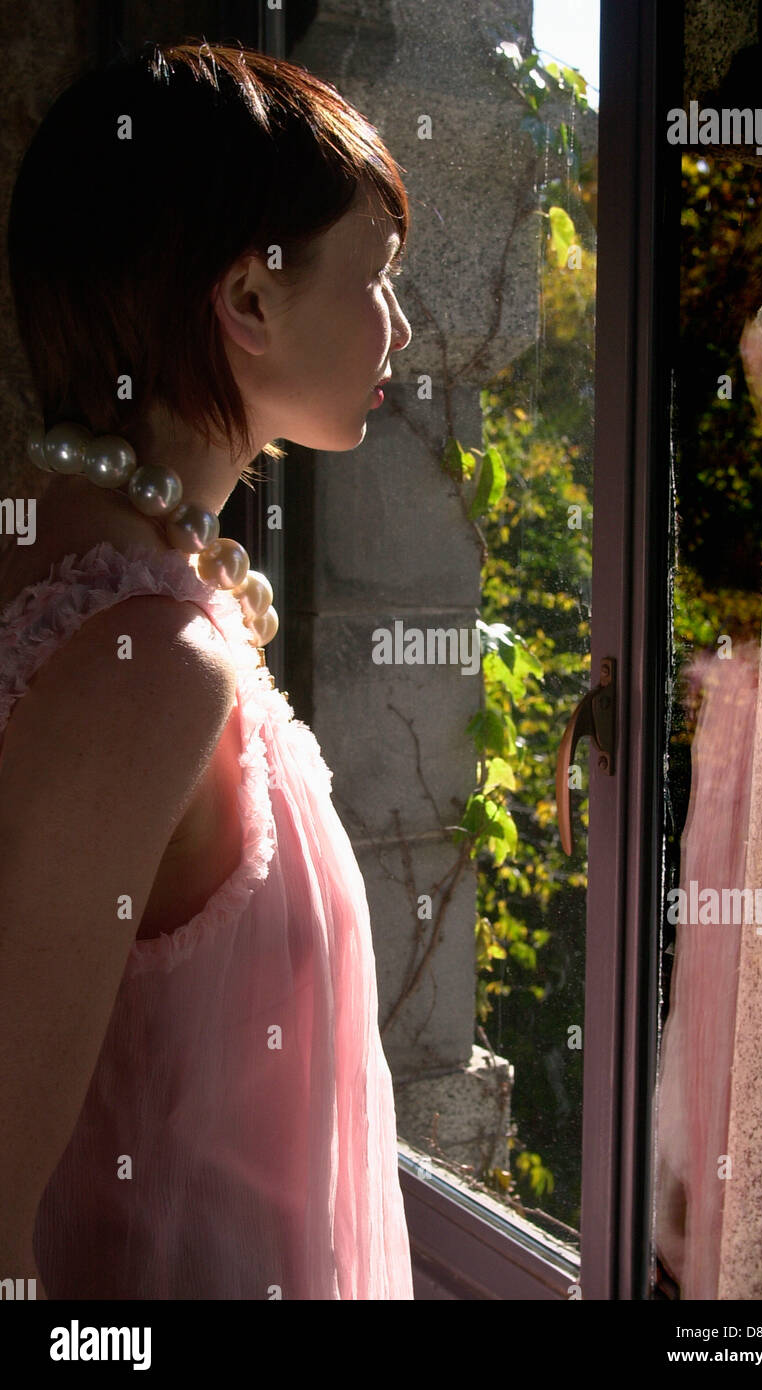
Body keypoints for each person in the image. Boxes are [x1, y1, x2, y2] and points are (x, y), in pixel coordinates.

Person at [0, 40, 414, 1299]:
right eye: (376, 275)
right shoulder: (148, 660)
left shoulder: (87, 559)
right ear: (248, 300)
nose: (397, 323)